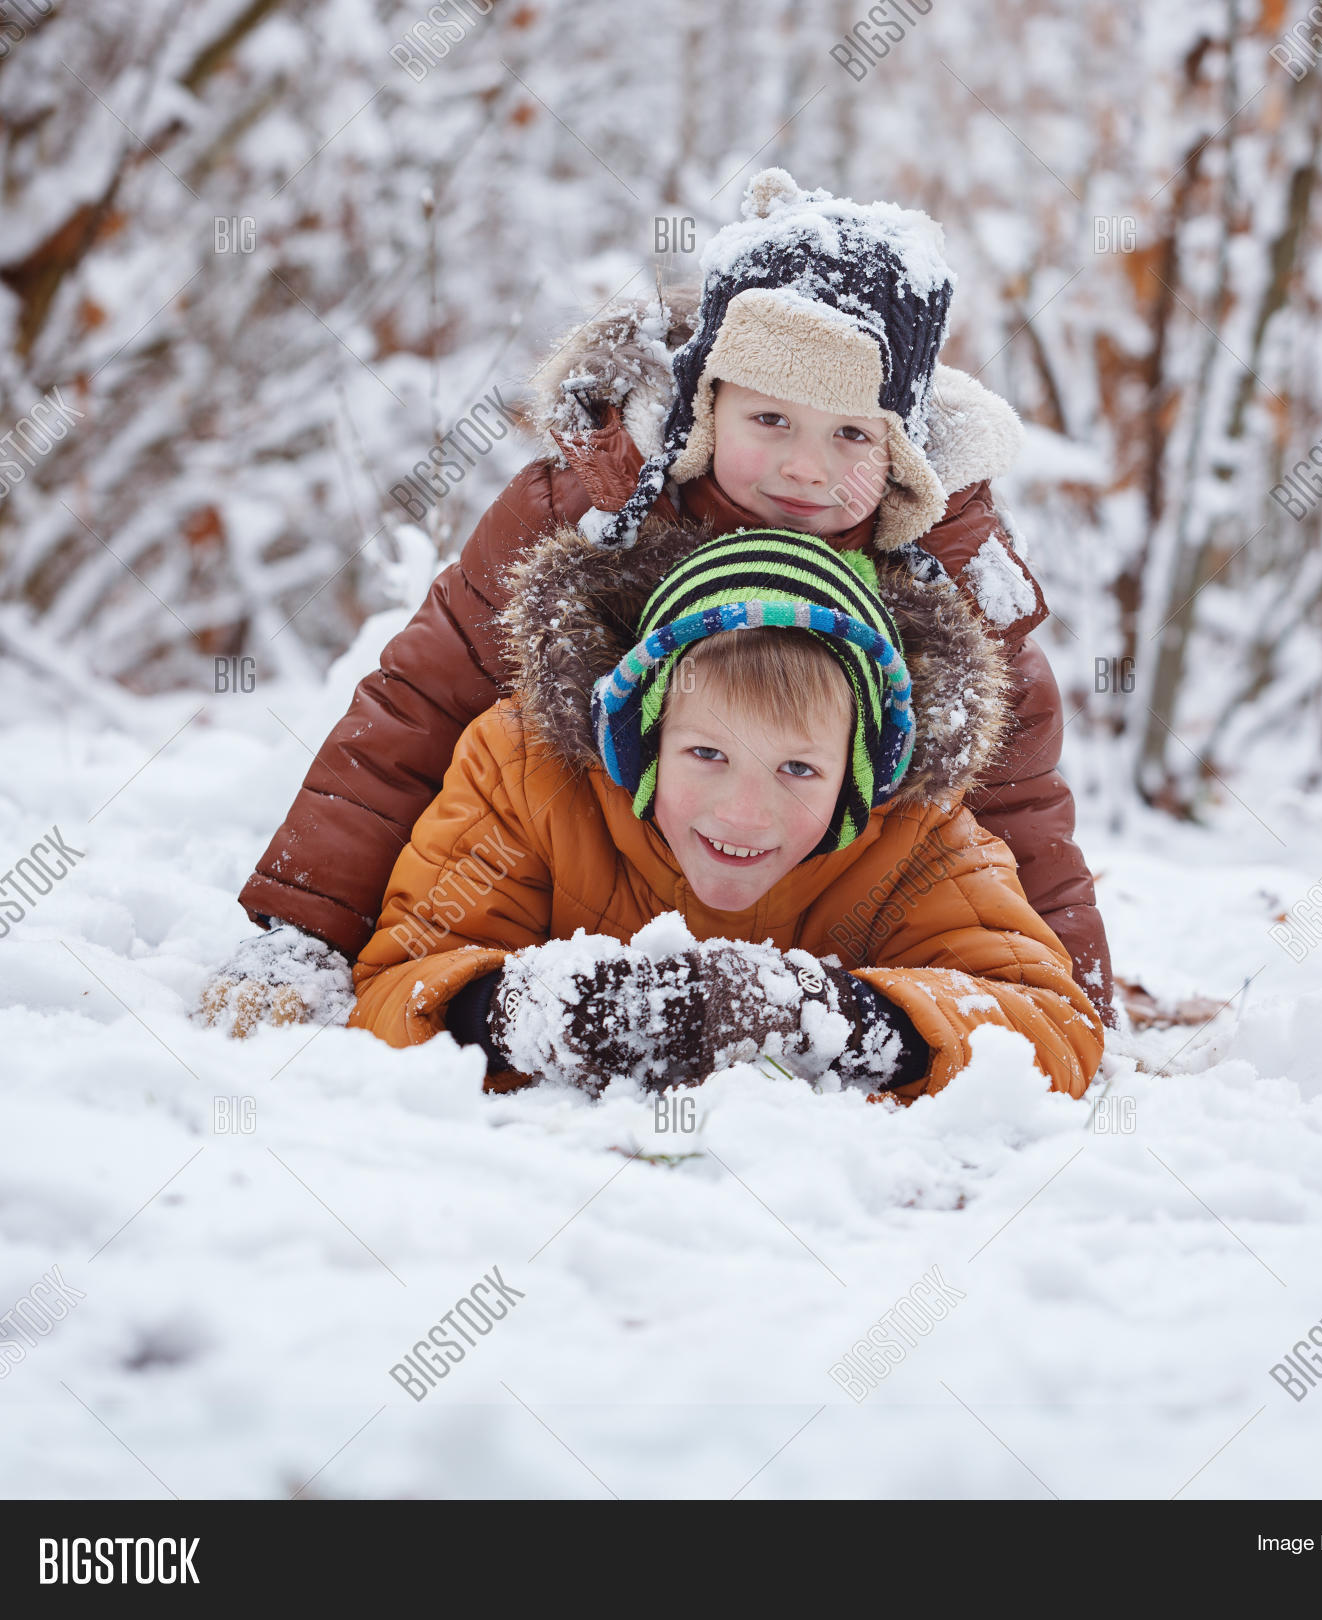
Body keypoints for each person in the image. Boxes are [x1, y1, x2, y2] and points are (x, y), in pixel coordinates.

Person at [200, 167, 1116, 1040]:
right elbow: (419, 707)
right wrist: (304, 933)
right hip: (587, 897)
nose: (808, 468)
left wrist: (1073, 998)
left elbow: (1018, 804)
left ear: (904, 450)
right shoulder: (587, 515)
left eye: (851, 435)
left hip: (823, 933)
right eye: (771, 422)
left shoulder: (944, 580)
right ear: (707, 411)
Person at [346, 522, 1105, 1102]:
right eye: (708, 755)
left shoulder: (917, 835)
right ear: (646, 736)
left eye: (799, 769)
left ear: (858, 774)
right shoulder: (528, 774)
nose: (745, 815)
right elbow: (394, 993)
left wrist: (824, 1017)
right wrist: (539, 1012)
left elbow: (1051, 1028)